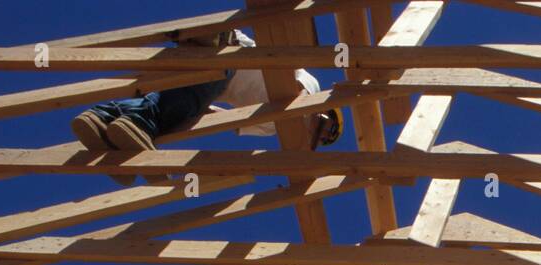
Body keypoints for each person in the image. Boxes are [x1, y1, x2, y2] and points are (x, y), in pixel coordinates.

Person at [69, 29, 343, 174]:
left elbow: (230, 122)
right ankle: (138, 121)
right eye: (326, 128)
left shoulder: (271, 127)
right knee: (176, 106)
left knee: (180, 108)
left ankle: (104, 118)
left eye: (322, 139)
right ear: (324, 112)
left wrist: (192, 115)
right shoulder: (310, 89)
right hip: (229, 54)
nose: (318, 134)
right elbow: (296, 91)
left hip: (215, 81)